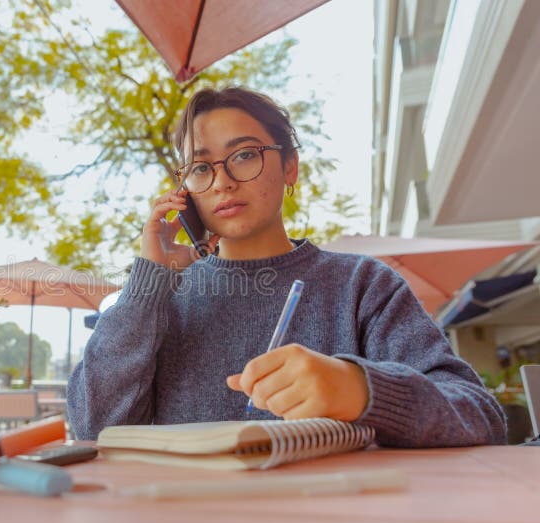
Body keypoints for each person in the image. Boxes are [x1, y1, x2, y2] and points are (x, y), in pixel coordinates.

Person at [67, 86, 507, 447]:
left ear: (290, 166)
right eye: (201, 167)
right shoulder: (162, 299)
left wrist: (360, 390)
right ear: (186, 193)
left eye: (243, 155)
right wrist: (147, 282)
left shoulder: (362, 285)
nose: (222, 180)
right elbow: (94, 428)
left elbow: (479, 415)